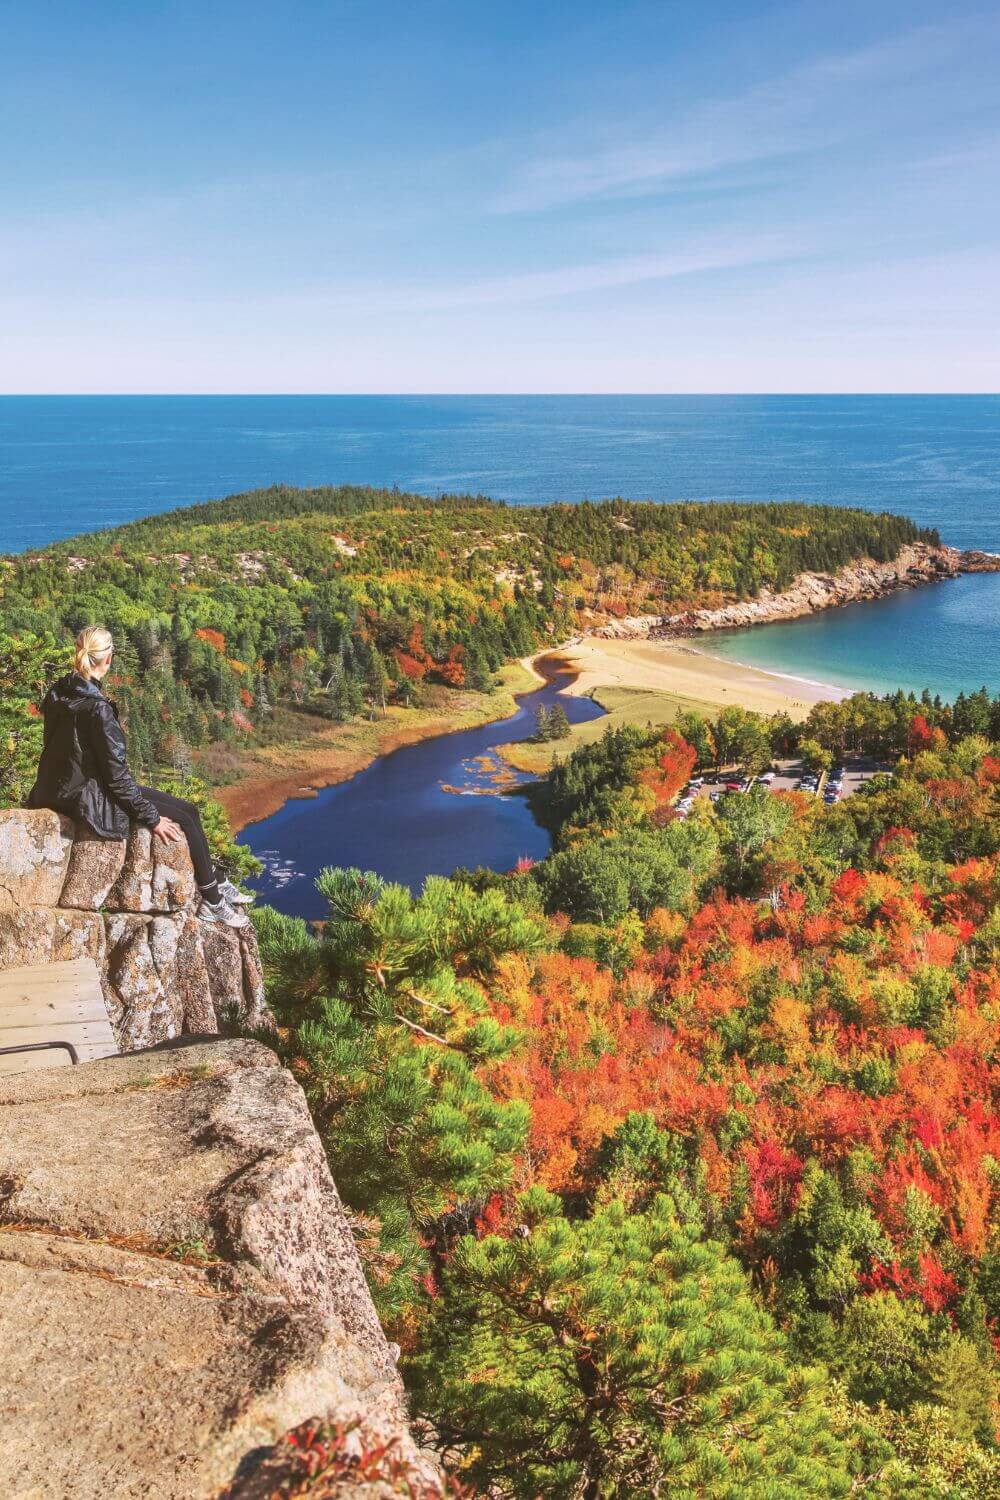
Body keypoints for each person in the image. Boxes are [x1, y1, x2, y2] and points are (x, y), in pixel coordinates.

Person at [27, 626, 252, 928]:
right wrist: (152, 818)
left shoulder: (60, 691)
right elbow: (117, 780)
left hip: (61, 788)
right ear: (108, 658)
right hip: (89, 794)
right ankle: (212, 901)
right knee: (184, 817)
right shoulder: (98, 709)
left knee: (188, 810)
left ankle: (215, 880)